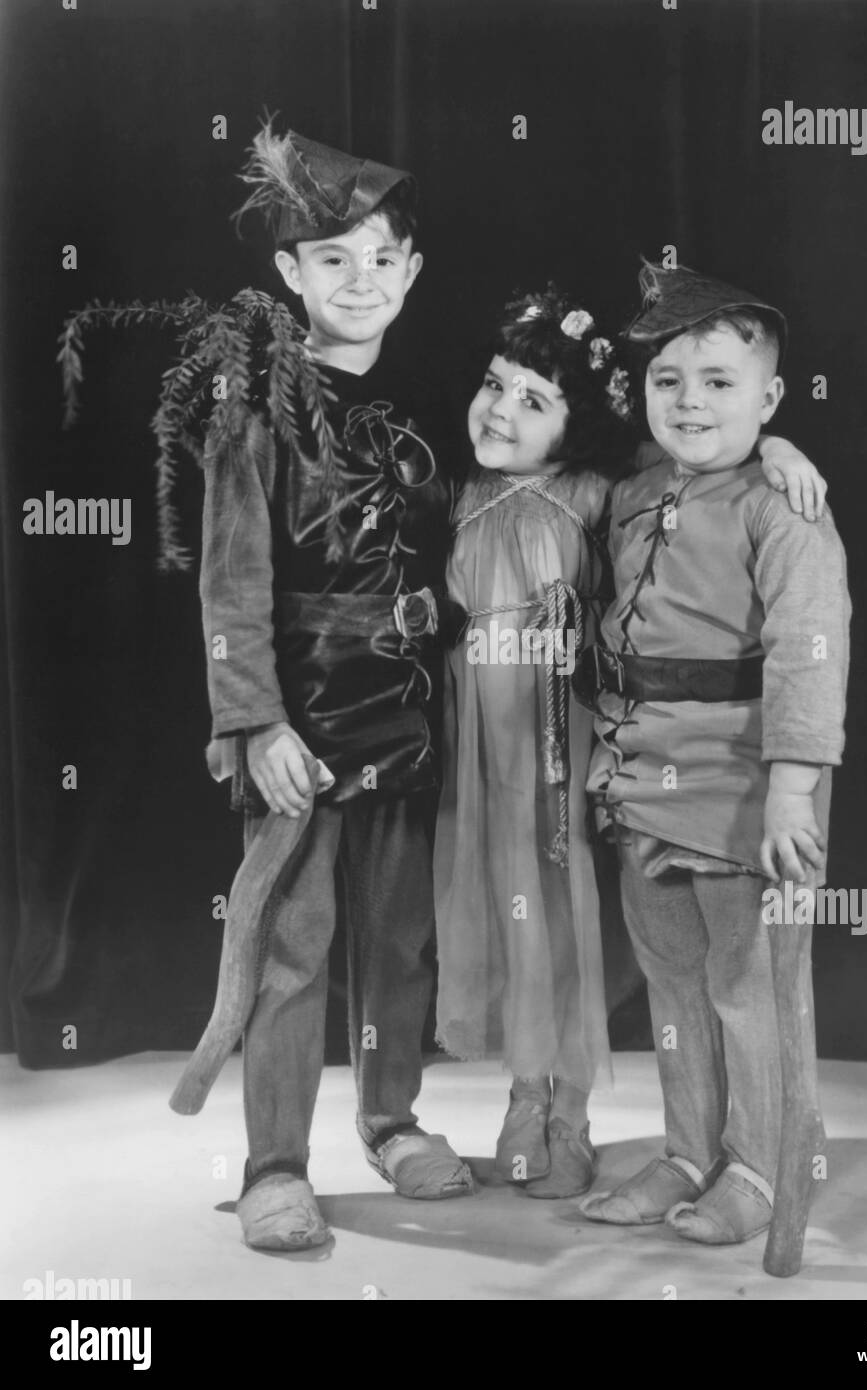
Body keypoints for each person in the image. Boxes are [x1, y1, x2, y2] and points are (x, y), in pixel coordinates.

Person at [434, 283, 831, 1201]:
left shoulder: (648, 498)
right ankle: (605, 1124)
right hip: (552, 761)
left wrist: (777, 443)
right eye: (497, 387)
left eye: (534, 400)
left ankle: (704, 1154)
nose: (503, 412)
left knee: (670, 949)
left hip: (636, 757)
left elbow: (703, 460)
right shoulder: (501, 494)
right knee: (586, 945)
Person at [199, 120, 473, 1250]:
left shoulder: (439, 406)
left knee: (397, 938)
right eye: (332, 261)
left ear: (409, 273)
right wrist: (254, 719)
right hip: (301, 720)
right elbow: (230, 586)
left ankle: (391, 1115)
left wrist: (778, 455)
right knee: (295, 942)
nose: (358, 282)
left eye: (378, 261)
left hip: (408, 710)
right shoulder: (250, 405)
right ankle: (273, 1161)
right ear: (289, 274)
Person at [577, 262, 851, 1244]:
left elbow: (808, 656)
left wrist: (791, 796)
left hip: (741, 792)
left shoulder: (783, 509)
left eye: (720, 382)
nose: (689, 400)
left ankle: (759, 1169)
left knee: (747, 986)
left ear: (770, 395)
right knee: (672, 979)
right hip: (639, 784)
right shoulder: (632, 495)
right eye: (667, 380)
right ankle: (688, 1150)